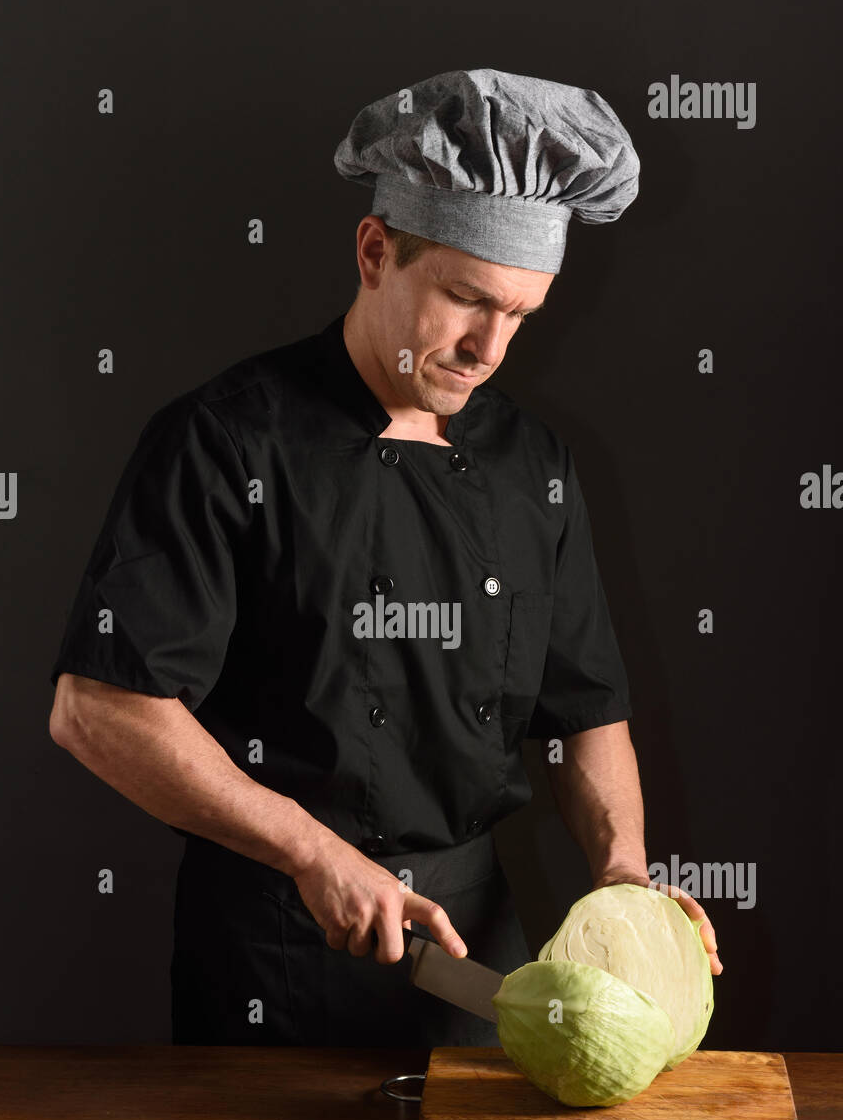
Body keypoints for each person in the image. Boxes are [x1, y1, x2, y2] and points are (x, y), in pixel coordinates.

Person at [48, 69, 721, 1049]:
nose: (488, 346)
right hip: (276, 945)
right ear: (374, 250)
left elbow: (585, 713)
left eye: (521, 316)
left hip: (475, 951)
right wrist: (308, 850)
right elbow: (99, 709)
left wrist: (623, 878)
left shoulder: (532, 464)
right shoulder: (227, 442)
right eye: (464, 299)